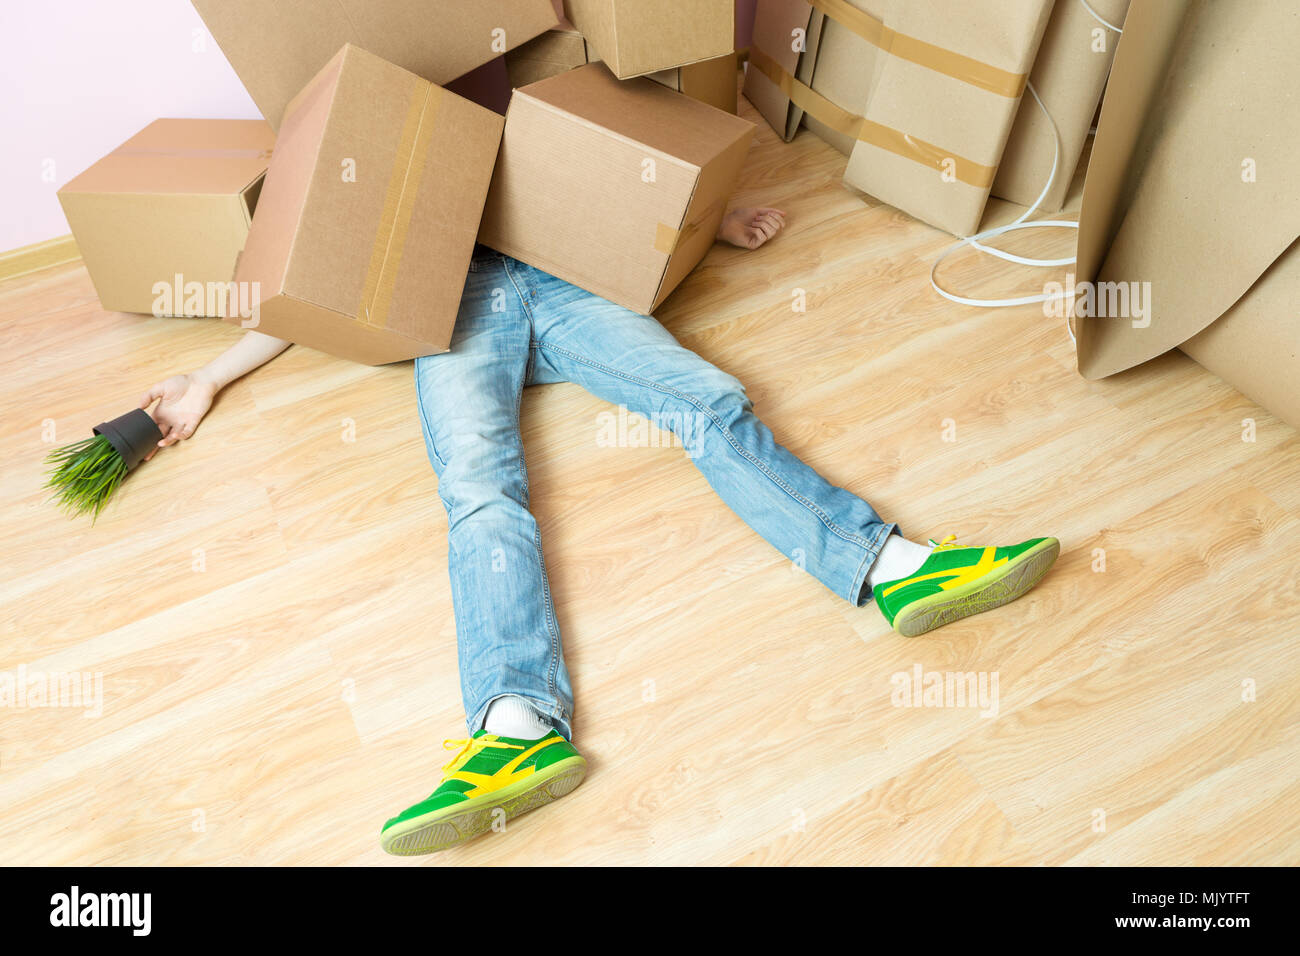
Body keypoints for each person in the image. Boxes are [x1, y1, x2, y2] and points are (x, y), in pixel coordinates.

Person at [138, 207, 1059, 855]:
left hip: (567, 274)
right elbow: (316, 278)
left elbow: (612, 162)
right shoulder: (367, 113)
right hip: (446, 306)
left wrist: (714, 213)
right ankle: (516, 725)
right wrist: (211, 377)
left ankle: (896, 568)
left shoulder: (522, 50)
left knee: (711, 401)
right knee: (480, 489)